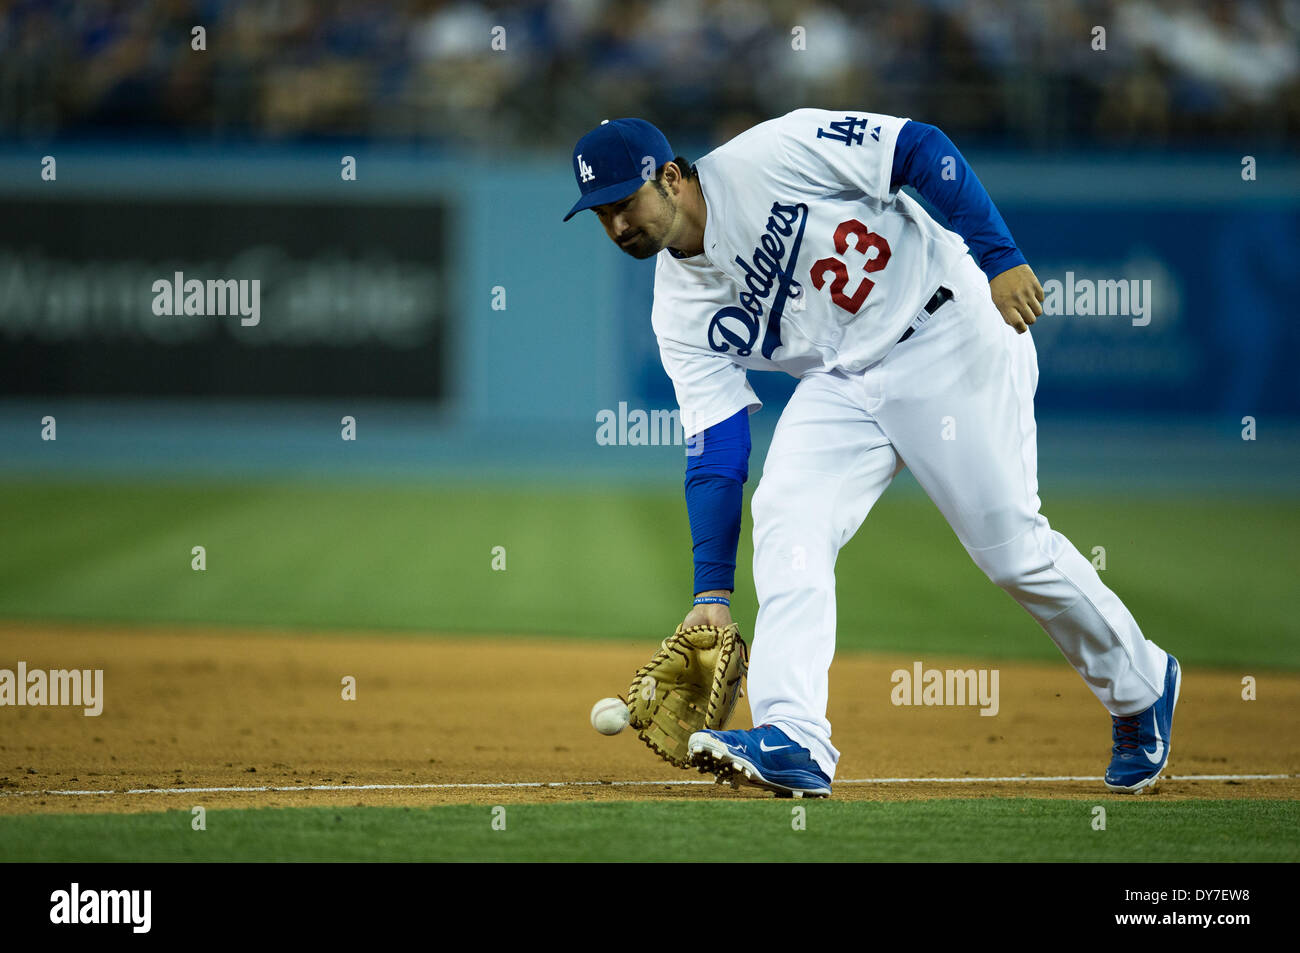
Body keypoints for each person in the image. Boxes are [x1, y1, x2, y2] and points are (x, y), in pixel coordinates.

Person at [562, 113, 1180, 798]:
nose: (617, 225)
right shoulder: (676, 312)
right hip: (844, 376)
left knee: (1012, 551)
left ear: (670, 177)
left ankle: (1141, 686)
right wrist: (712, 592)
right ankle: (794, 735)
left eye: (625, 202)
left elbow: (919, 149)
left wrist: (999, 255)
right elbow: (716, 447)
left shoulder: (774, 152)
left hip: (946, 324)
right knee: (786, 510)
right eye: (602, 213)